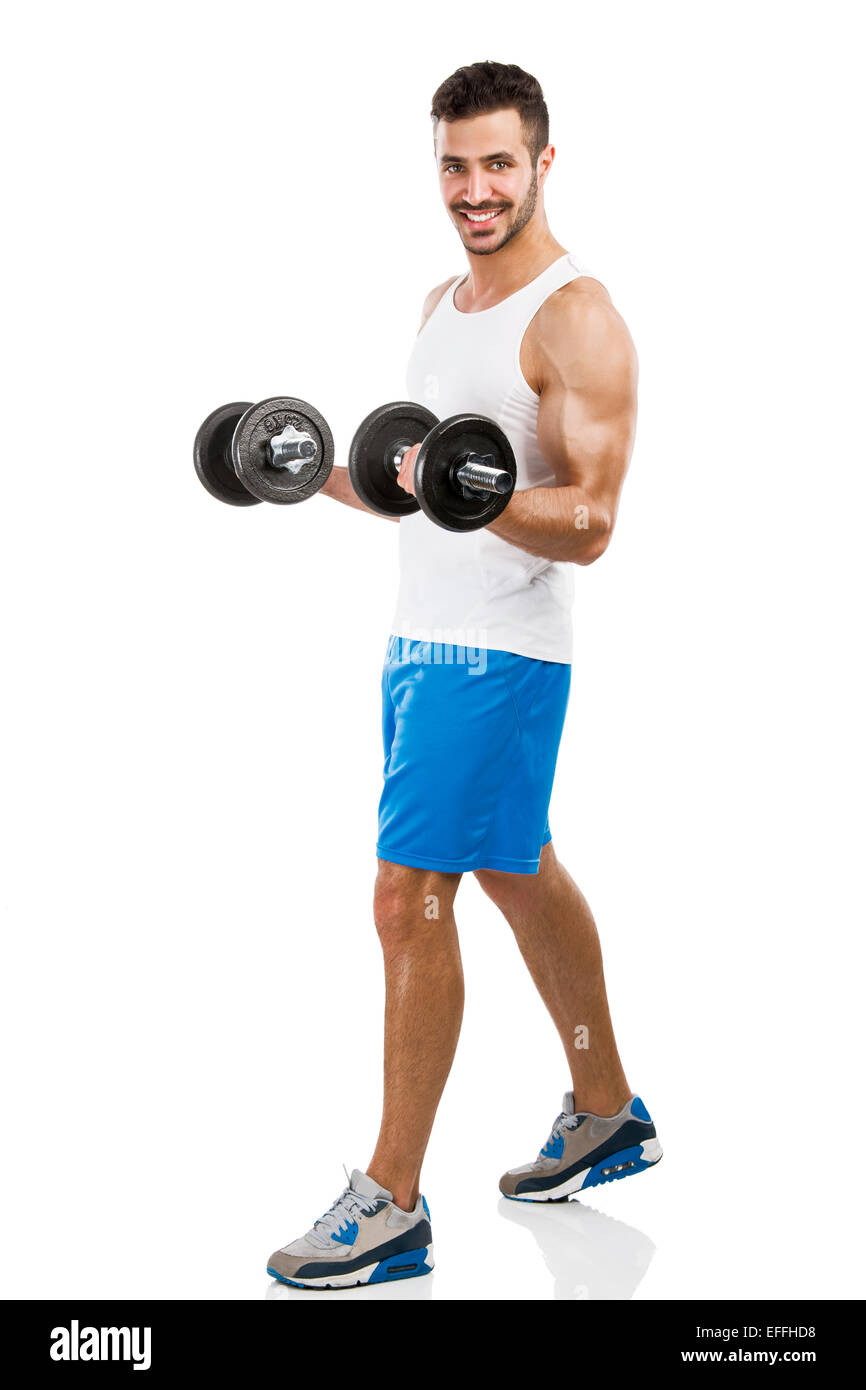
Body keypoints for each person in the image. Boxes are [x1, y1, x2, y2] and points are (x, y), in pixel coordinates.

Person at [267, 60, 661, 1291]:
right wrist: (304, 468)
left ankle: (390, 1199)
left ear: (543, 164)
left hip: (499, 658)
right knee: (512, 862)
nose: (474, 188)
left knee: (406, 896)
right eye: (454, 164)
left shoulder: (575, 313)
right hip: (420, 641)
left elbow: (589, 517)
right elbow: (421, 494)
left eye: (498, 163)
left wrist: (481, 496)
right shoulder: (441, 304)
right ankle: (606, 1105)